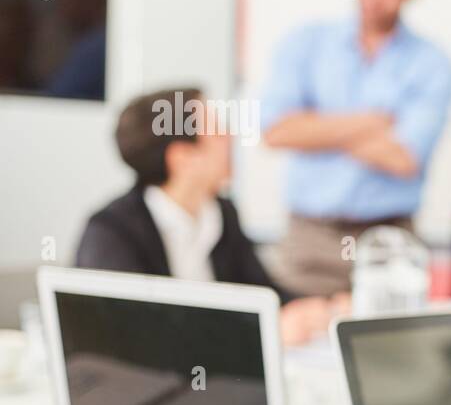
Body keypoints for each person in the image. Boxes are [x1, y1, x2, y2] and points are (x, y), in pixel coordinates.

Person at [260, 0, 451, 297]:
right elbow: (277, 131)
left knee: (390, 352)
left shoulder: (432, 64)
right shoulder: (306, 43)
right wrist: (373, 123)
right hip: (308, 243)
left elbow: (403, 158)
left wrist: (314, 129)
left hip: (390, 245)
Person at [76, 86, 344, 345]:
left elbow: (262, 292)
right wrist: (263, 333)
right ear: (182, 158)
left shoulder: (221, 214)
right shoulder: (112, 232)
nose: (230, 137)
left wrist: (324, 308)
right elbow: (140, 332)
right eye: (216, 132)